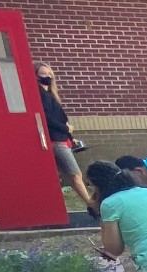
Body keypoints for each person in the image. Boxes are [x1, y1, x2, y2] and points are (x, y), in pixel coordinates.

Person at [37, 64, 93, 214]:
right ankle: (90, 204)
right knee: (76, 174)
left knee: (71, 176)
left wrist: (71, 136)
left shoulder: (51, 95)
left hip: (63, 138)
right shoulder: (40, 95)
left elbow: (61, 117)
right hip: (55, 140)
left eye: (49, 73)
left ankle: (88, 203)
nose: (47, 76)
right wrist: (65, 129)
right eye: (43, 73)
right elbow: (46, 118)